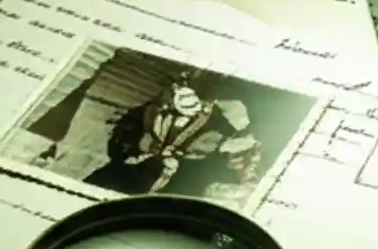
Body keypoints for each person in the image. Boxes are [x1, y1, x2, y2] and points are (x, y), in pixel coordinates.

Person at [83, 72, 262, 199]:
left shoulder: (232, 119)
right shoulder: (171, 99)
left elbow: (235, 163)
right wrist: (139, 148)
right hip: (123, 175)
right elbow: (133, 124)